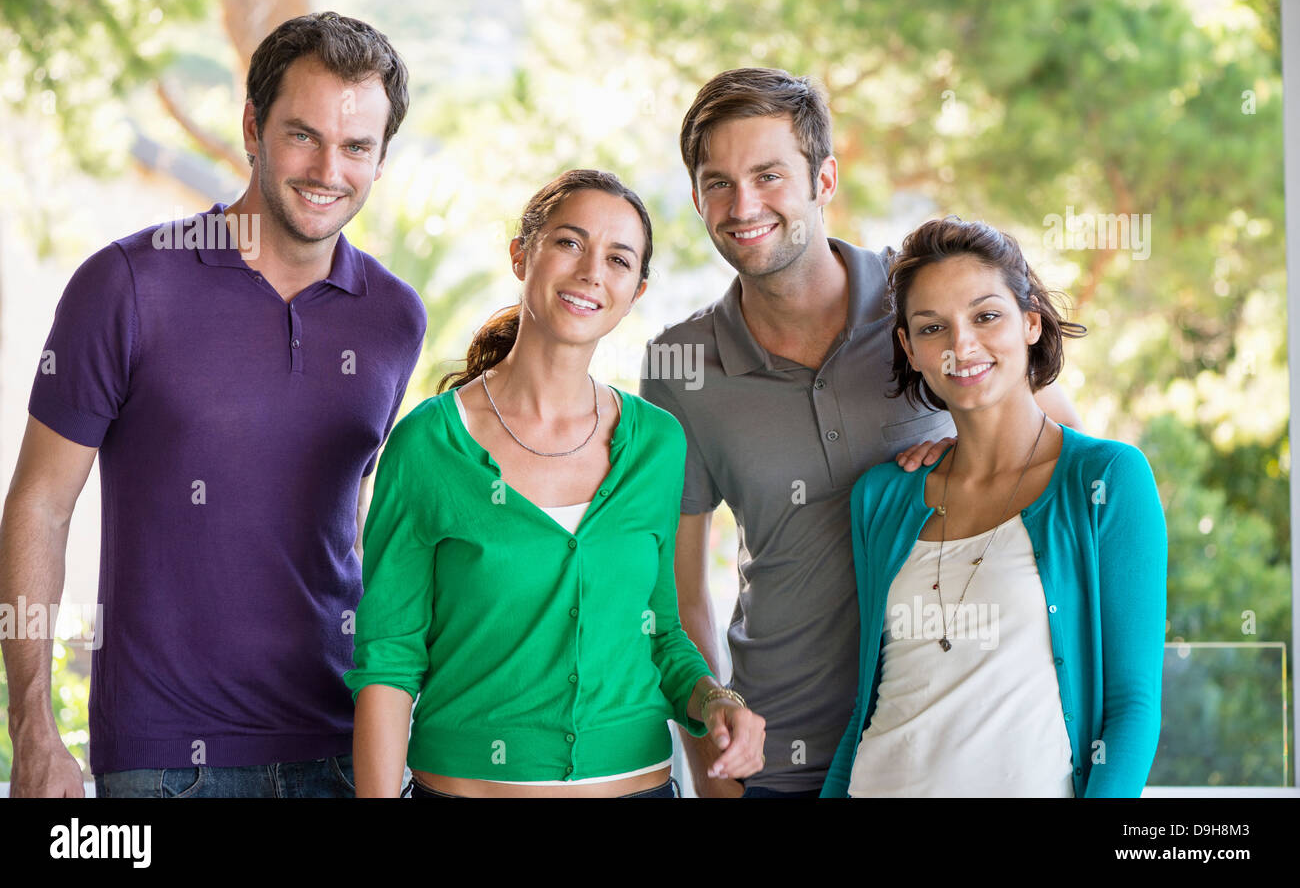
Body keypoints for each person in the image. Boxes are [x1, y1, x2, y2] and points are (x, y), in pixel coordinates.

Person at [0, 12, 427, 798]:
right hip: (166, 760)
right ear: (252, 127)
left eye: (357, 146)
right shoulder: (129, 285)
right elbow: (39, 506)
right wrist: (33, 729)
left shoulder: (395, 316)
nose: (329, 168)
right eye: (303, 135)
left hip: (345, 747)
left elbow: (356, 523)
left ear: (380, 156)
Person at [640, 67, 1084, 797]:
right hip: (774, 760)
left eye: (770, 174)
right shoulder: (679, 367)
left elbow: (1059, 450)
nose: (743, 204)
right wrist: (715, 782)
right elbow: (682, 596)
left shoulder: (930, 308)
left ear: (825, 178)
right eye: (717, 182)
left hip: (939, 753)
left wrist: (975, 447)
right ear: (696, 197)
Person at [346, 169, 765, 798]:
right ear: (523, 254)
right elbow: (387, 662)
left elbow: (661, 632)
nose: (592, 271)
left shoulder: (657, 444)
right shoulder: (428, 446)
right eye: (570, 243)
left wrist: (715, 698)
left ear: (637, 289)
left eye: (618, 259)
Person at [821, 217, 1166, 798]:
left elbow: (1132, 709)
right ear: (909, 347)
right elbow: (870, 702)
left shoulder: (1106, 479)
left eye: (986, 316)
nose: (962, 346)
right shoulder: (881, 496)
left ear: (1030, 321)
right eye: (933, 328)